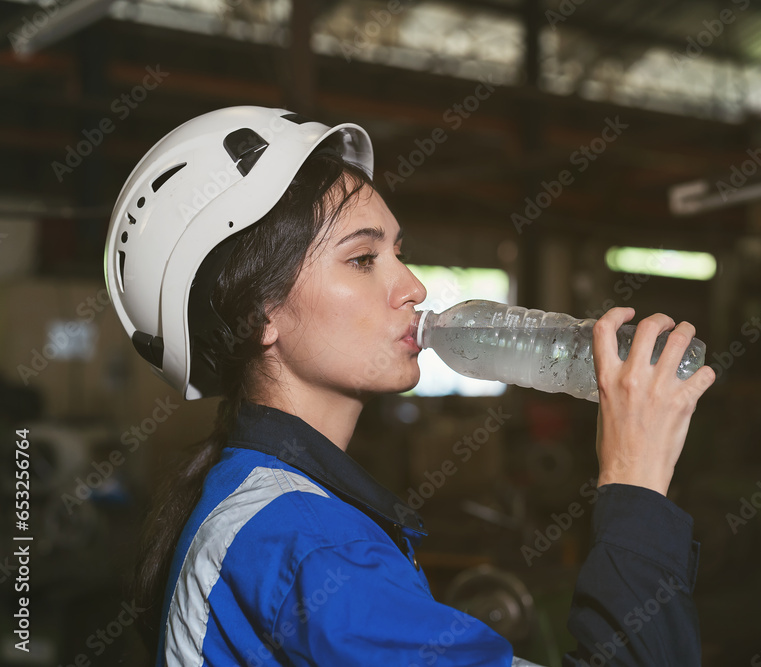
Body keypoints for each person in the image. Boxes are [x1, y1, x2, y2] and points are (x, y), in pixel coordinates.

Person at [104, 106, 716, 667]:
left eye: (399, 252)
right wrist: (635, 480)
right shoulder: (304, 547)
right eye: (363, 260)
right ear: (261, 313)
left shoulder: (264, 507)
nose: (414, 287)